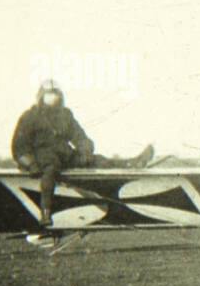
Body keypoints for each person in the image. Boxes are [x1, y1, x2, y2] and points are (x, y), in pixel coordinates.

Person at [10, 80, 154, 227]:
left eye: (55, 93)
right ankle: (46, 213)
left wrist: (85, 151)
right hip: (43, 155)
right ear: (41, 96)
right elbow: (19, 146)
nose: (53, 97)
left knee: (98, 160)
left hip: (64, 154)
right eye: (49, 93)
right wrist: (31, 164)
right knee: (50, 169)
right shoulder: (30, 116)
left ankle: (133, 163)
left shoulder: (65, 115)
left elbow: (80, 137)